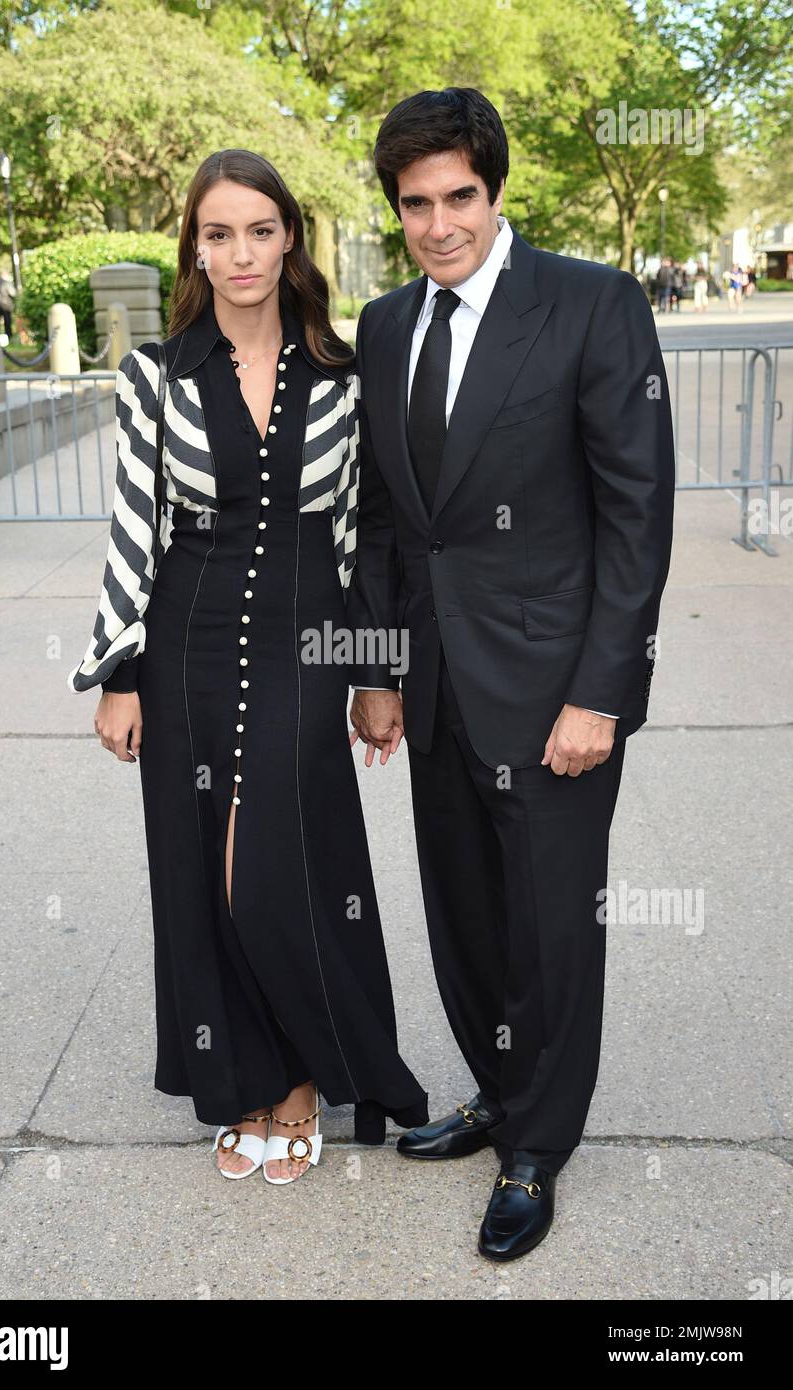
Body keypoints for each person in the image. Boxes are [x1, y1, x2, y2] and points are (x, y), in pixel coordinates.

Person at [347, 88, 674, 1261]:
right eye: (416, 204)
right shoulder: (387, 325)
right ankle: (495, 1089)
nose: (440, 225)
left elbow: (637, 518)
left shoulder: (590, 303)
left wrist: (601, 693)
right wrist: (378, 672)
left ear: (496, 190)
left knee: (549, 930)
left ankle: (539, 1145)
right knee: (468, 921)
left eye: (460, 199)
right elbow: (388, 518)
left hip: (553, 693)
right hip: (434, 689)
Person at [68, 149, 429, 1186]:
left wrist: (374, 674)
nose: (240, 253)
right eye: (217, 233)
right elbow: (135, 524)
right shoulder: (157, 371)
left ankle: (313, 1076)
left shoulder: (343, 368)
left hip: (309, 640)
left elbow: (368, 533)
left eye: (260, 230)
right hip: (186, 638)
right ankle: (250, 1083)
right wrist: (117, 673)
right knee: (203, 871)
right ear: (194, 245)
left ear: (290, 240)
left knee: (271, 864)